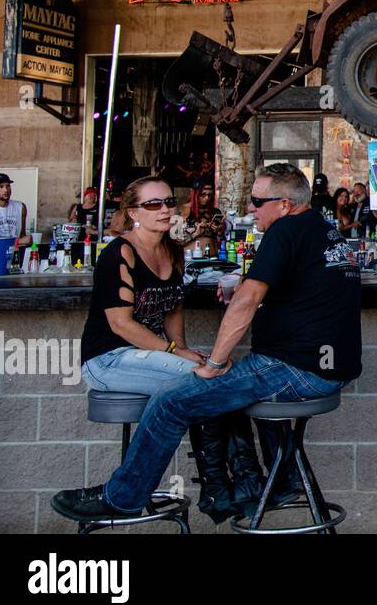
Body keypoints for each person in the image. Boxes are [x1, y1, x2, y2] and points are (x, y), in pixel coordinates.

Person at [52, 163, 362, 525]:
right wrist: (202, 341)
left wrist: (215, 361)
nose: (250, 208)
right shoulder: (325, 231)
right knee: (232, 387)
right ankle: (277, 481)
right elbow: (291, 286)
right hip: (329, 368)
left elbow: (246, 301)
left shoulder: (284, 231)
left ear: (285, 205)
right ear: (133, 213)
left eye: (258, 201)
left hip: (294, 369)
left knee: (174, 400)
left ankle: (122, 498)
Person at [76, 176, 266, 524]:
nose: (164, 209)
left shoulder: (172, 250)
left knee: (217, 374)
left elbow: (173, 309)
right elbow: (120, 324)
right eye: (153, 205)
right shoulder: (119, 253)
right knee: (208, 377)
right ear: (133, 212)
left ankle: (231, 485)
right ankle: (231, 484)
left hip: (152, 354)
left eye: (167, 202)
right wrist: (176, 353)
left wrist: (182, 348)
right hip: (109, 359)